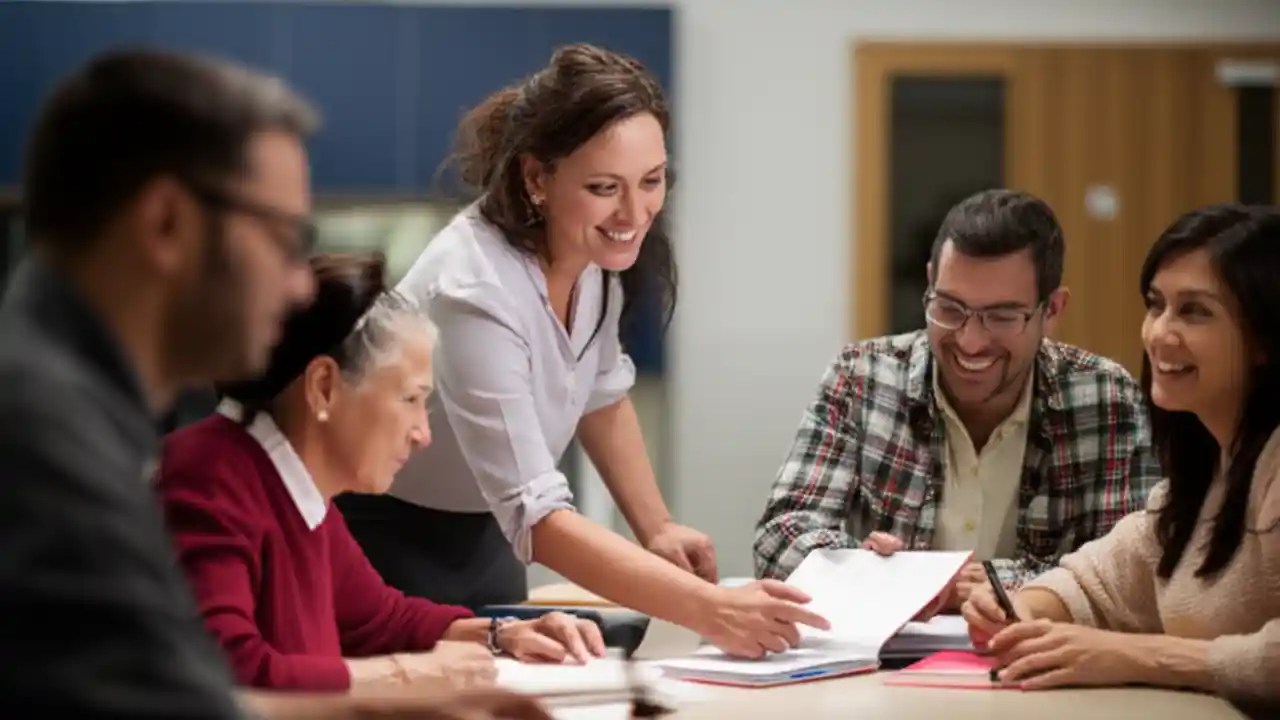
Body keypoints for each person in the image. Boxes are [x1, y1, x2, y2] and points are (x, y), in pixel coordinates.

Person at [0, 48, 547, 720]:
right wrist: (399, 694)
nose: (296, 285)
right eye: (283, 237)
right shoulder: (43, 436)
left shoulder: (75, 407)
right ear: (167, 222)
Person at [336, 43, 828, 659]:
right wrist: (709, 608)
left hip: (487, 537)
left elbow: (601, 396)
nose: (634, 213)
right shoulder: (474, 291)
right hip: (387, 541)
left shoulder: (589, 254)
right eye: (604, 187)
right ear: (537, 177)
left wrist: (658, 527)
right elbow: (539, 519)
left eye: (652, 182)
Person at [159, 253, 606, 693]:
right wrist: (405, 677)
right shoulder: (210, 477)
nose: (422, 434)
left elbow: (381, 619)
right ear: (324, 387)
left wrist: (503, 633)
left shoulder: (299, 492)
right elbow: (227, 671)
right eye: (410, 400)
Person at [753, 189, 1161, 608]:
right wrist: (877, 571)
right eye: (949, 309)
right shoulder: (862, 378)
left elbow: (1129, 576)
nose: (970, 342)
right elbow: (778, 539)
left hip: (1039, 661)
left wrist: (974, 583)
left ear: (1052, 311)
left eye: (1001, 317)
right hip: (884, 665)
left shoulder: (1106, 398)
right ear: (930, 284)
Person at [962, 205, 1280, 708]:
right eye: (1157, 305)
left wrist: (1136, 656)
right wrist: (1022, 608)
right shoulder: (1204, 475)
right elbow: (1098, 582)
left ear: (1266, 338)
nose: (1159, 334)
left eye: (1195, 311)